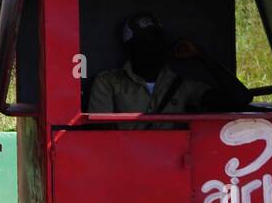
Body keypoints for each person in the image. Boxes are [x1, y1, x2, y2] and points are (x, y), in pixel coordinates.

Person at [87, 12, 253, 123]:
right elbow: (100, 135)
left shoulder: (182, 86)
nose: (153, 48)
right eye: (145, 43)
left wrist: (201, 56)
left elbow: (240, 99)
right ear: (130, 49)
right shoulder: (108, 83)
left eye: (157, 42)